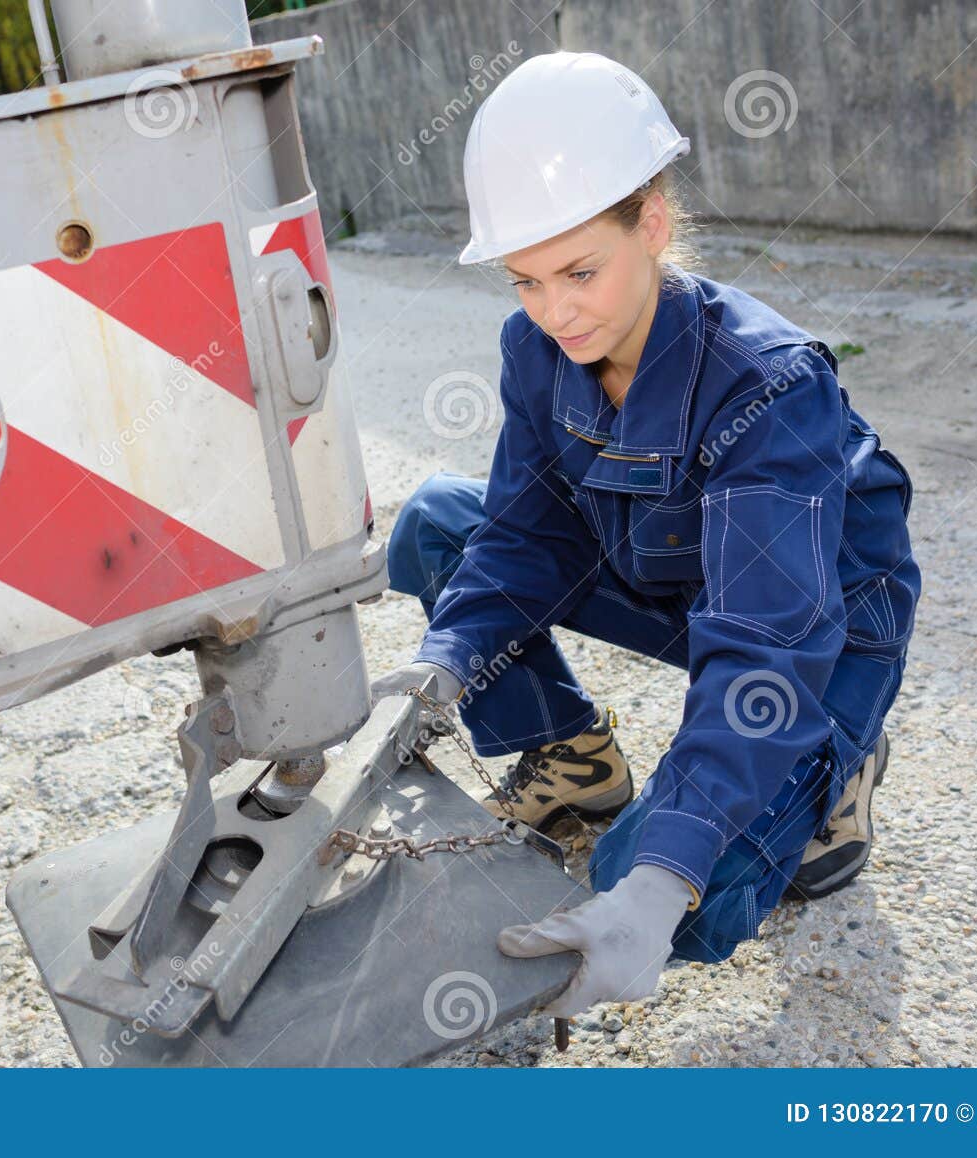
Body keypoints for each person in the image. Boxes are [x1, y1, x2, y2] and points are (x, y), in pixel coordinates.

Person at [371, 52, 922, 1017]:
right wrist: (442, 668)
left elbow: (765, 647)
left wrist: (667, 873)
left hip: (815, 634)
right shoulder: (538, 347)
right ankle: (575, 755)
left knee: (670, 895)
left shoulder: (769, 388)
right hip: (676, 579)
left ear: (653, 223)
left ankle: (842, 763)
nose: (557, 312)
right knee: (435, 524)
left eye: (580, 271)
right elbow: (522, 534)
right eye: (525, 282)